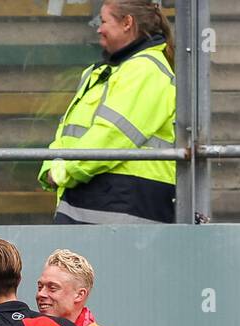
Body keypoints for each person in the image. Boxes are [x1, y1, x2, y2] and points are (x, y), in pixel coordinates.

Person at [40, 0, 176, 225]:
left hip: (122, 207)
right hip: (96, 203)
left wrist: (60, 171)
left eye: (104, 21)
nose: (99, 28)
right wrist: (50, 166)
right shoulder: (108, 72)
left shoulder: (145, 71)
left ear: (127, 23)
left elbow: (111, 136)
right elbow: (68, 134)